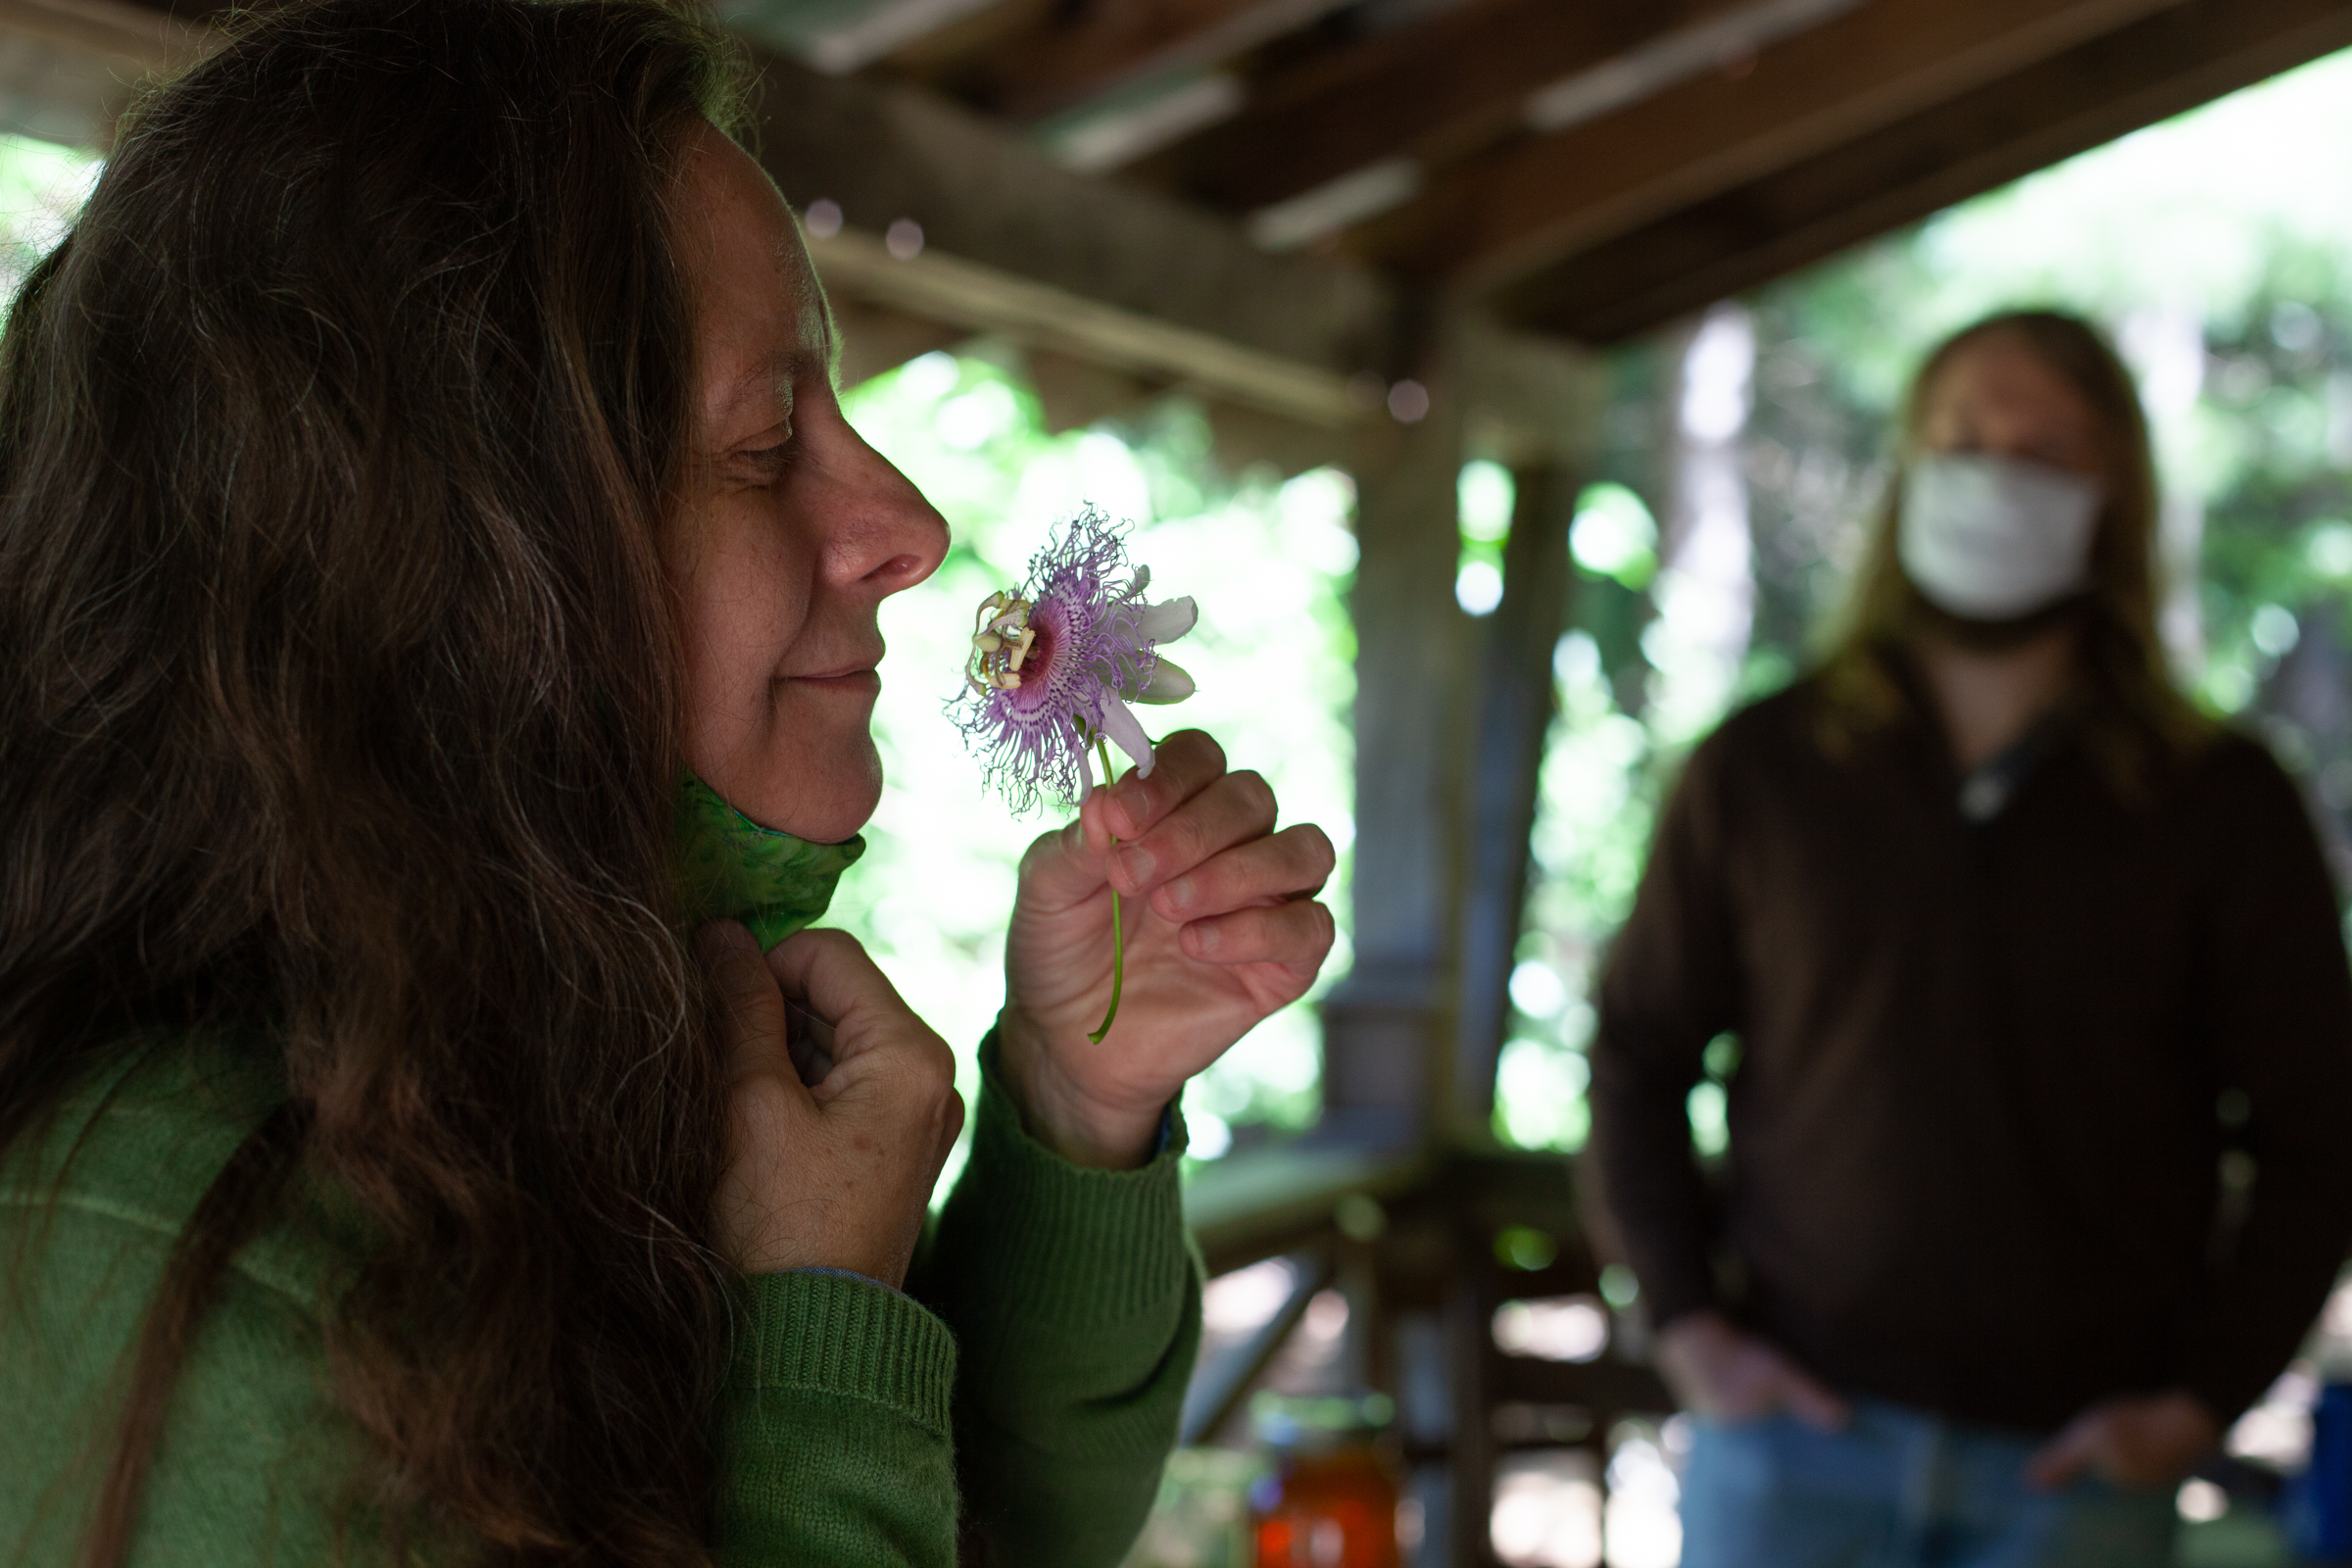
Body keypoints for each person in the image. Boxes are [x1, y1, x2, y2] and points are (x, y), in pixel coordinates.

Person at [0, 3, 1337, 1565]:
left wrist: (1074, 1110)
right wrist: (815, 1327)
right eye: (766, 444)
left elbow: (974, 1534)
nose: (910, 528)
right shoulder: (174, 1268)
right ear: (453, 572)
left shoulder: (586, 1062)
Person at [1590, 310, 2352, 1565]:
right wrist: (1689, 1325)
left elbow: (2315, 1132)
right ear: (1909, 468)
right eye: (1963, 440)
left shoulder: (2220, 800)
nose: (1998, 476)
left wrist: (2200, 1400)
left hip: (2077, 1477)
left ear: (2116, 493)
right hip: (1793, 1445)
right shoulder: (1762, 769)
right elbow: (1637, 1053)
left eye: (2045, 450)